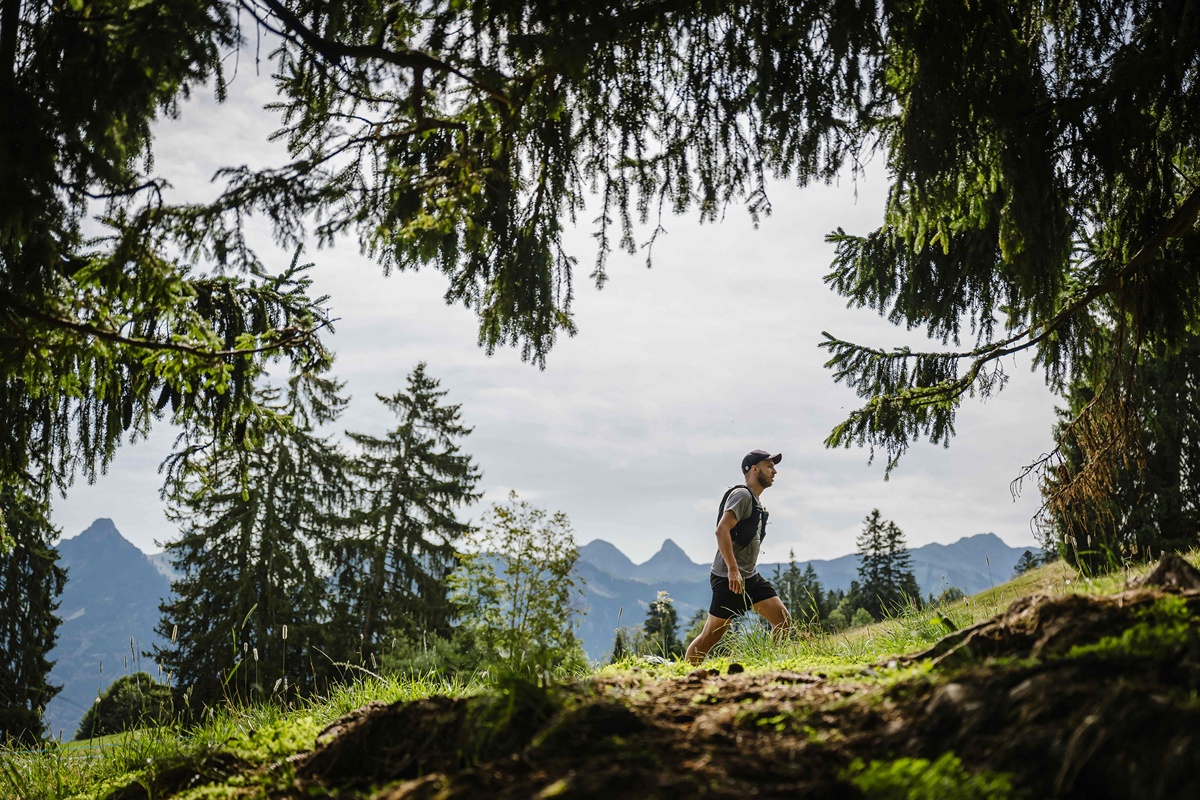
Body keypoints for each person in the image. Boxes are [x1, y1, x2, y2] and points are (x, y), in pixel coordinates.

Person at [685, 449, 791, 664]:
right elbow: (721, 530)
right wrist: (733, 570)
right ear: (754, 469)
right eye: (769, 466)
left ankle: (773, 664)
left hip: (749, 577)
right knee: (711, 636)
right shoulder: (742, 495)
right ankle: (685, 675)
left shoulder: (755, 501)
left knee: (783, 621)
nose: (774, 471)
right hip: (729, 578)